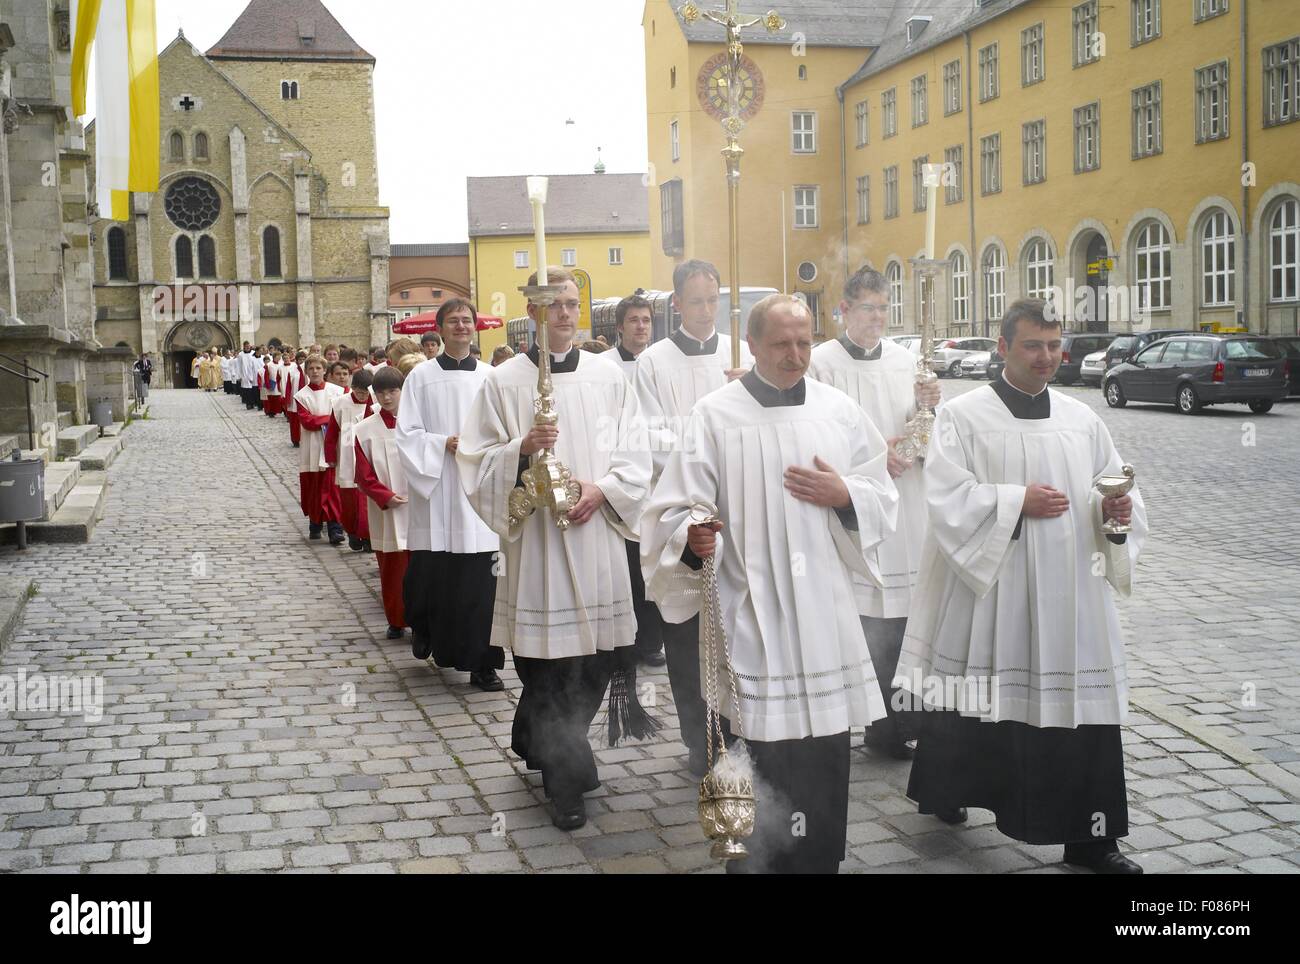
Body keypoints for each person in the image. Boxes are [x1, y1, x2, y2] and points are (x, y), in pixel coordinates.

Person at [640, 294, 899, 874]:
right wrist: (693, 536)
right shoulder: (715, 415)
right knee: (760, 749)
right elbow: (669, 510)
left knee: (827, 749)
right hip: (749, 611)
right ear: (751, 345)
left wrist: (847, 496)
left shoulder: (838, 411)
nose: (795, 354)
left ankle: (819, 860)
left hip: (823, 613)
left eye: (805, 341)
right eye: (781, 343)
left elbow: (883, 490)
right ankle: (755, 864)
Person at [896, 298, 1146, 875]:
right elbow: (946, 497)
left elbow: (1109, 485)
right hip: (994, 588)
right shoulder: (964, 417)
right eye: (1033, 345)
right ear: (1003, 347)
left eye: (1055, 346)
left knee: (1083, 709)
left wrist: (1117, 510)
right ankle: (948, 787)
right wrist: (1014, 502)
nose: (1047, 358)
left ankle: (1093, 841)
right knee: (976, 693)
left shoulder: (1082, 419)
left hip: (1069, 593)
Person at [457, 266, 653, 831]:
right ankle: (564, 779)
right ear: (534, 311)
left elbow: (634, 451)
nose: (567, 313)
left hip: (596, 538)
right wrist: (522, 447)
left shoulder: (608, 377)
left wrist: (604, 490)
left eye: (573, 303)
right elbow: (475, 459)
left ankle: (545, 740)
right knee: (544, 665)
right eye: (555, 304)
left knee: (599, 660)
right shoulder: (504, 382)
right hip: (538, 546)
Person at [808, 265, 941, 760]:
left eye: (885, 307)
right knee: (860, 617)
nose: (878, 317)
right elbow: (814, 434)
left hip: (905, 505)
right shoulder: (821, 362)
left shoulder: (908, 361)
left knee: (903, 619)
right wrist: (869, 461)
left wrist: (928, 410)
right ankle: (847, 718)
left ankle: (895, 725)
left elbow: (926, 437)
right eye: (868, 308)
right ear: (843, 310)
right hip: (854, 505)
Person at [631, 259, 751, 776]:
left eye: (713, 299)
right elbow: (648, 439)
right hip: (684, 512)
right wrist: (706, 443)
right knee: (689, 631)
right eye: (695, 300)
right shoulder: (653, 363)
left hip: (742, 513)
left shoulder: (744, 352)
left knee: (739, 626)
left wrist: (746, 394)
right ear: (675, 303)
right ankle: (699, 737)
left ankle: (743, 728)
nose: (706, 310)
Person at [396, 298, 503, 690]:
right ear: (440, 329)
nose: (461, 327)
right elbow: (406, 434)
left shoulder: (492, 376)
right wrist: (443, 443)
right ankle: (431, 634)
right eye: (453, 321)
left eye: (467, 321)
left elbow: (504, 430)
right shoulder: (420, 378)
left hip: (479, 488)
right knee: (437, 576)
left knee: (481, 580)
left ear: (475, 328)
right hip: (439, 487)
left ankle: (483, 662)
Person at [611, 291, 665, 669]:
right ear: (619, 327)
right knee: (628, 563)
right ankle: (623, 638)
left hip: (660, 478)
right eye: (634, 320)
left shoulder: (662, 364)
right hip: (624, 476)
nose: (641, 326)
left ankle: (651, 640)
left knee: (655, 563)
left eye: (646, 320)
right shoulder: (604, 367)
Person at [355, 366, 411, 640]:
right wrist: (385, 495)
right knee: (392, 568)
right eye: (380, 393)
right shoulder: (364, 430)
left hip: (418, 507)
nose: (386, 398)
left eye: (392, 391)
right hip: (386, 509)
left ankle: (421, 619)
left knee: (420, 567)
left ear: (403, 391)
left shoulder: (417, 424)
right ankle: (396, 619)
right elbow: (363, 475)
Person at [293, 354, 347, 543]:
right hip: (313, 446)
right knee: (315, 486)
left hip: (332, 444)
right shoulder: (301, 396)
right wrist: (328, 418)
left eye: (318, 368)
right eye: (311, 368)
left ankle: (335, 527)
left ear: (325, 370)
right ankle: (315, 522)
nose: (315, 372)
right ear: (306, 371)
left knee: (332, 487)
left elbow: (343, 415)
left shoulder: (338, 392)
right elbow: (307, 421)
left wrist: (325, 420)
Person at [327, 367, 375, 552]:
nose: (363, 397)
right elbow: (332, 432)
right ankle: (353, 533)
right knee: (349, 503)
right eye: (359, 392)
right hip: (347, 458)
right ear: (352, 388)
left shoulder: (374, 405)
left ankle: (370, 536)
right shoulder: (340, 403)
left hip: (368, 458)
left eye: (366, 393)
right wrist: (330, 456)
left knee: (367, 502)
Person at [283, 351, 305, 446]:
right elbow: (288, 386)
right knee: (295, 422)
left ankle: (305, 439)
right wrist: (287, 400)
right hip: (295, 399)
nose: (302, 361)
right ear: (296, 361)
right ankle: (295, 439)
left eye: (304, 359)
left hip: (306, 399)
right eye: (300, 359)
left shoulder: (309, 371)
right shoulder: (292, 371)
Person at [238, 344, 260, 410]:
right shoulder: (240, 354)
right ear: (244, 347)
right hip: (244, 374)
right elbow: (239, 365)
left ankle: (254, 403)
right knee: (247, 391)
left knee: (253, 390)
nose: (247, 348)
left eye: (248, 346)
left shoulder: (253, 353)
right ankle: (248, 404)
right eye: (246, 347)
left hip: (253, 373)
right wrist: (239, 375)